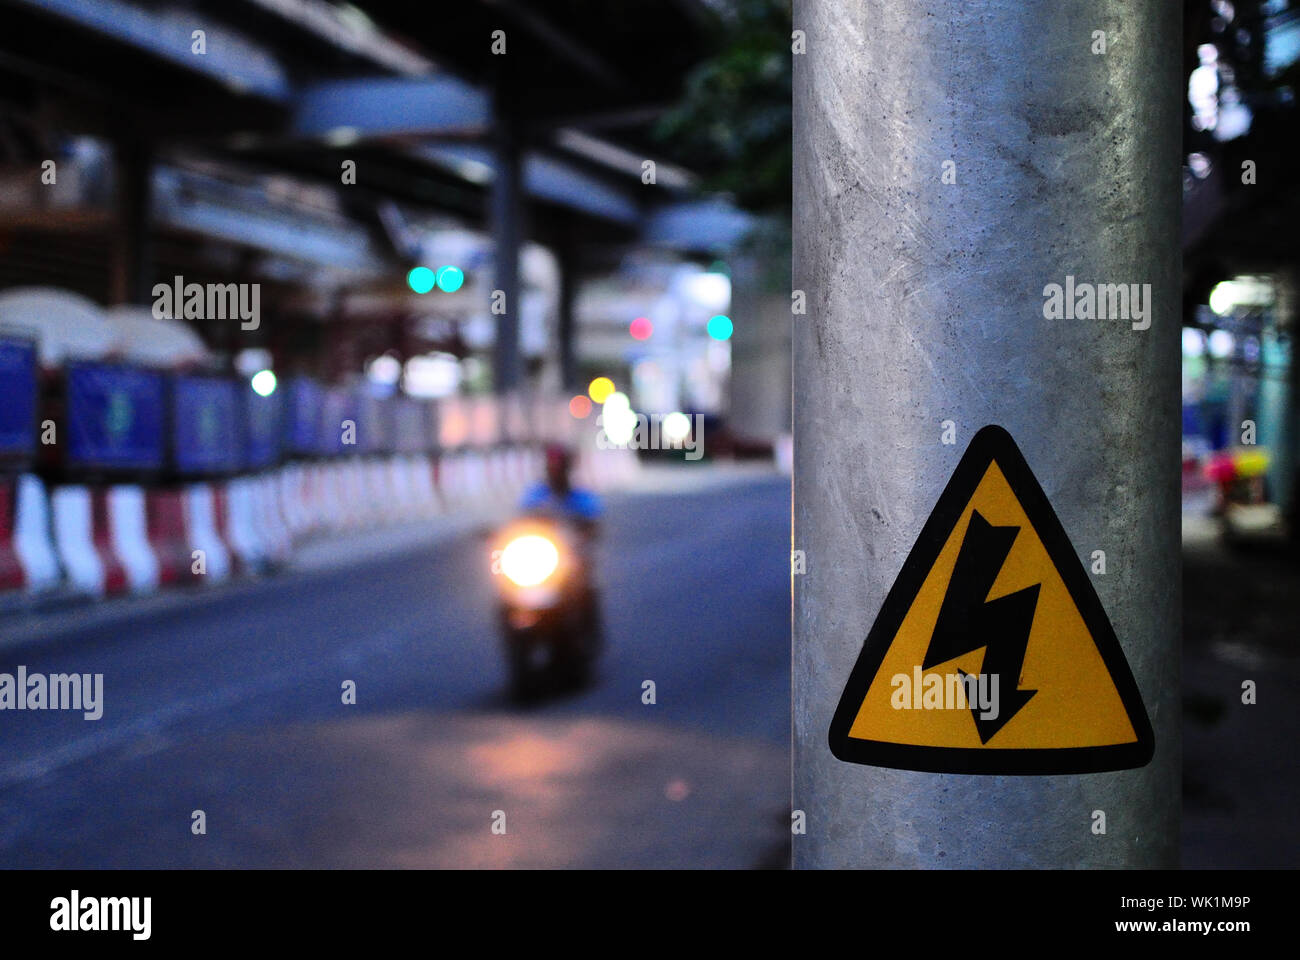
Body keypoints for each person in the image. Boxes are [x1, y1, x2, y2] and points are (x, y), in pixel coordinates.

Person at [519, 444, 602, 527]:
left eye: (559, 469)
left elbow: (592, 522)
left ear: (567, 469)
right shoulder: (535, 494)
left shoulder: (582, 497)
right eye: (551, 468)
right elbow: (524, 514)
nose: (555, 473)